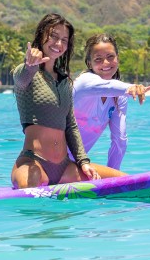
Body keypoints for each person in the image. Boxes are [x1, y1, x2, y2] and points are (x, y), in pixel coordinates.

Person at [11, 14, 113, 187]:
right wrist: (30, 66)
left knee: (122, 179)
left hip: (65, 167)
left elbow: (71, 125)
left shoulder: (64, 81)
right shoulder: (26, 72)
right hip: (33, 163)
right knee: (32, 183)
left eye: (64, 40)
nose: (58, 44)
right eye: (53, 36)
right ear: (41, 36)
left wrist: (83, 161)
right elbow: (21, 80)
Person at [73, 33, 147, 171]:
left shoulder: (120, 97)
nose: (106, 63)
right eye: (98, 59)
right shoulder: (84, 82)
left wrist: (113, 179)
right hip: (51, 161)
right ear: (89, 63)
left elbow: (120, 141)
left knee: (120, 174)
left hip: (75, 166)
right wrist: (130, 88)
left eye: (110, 57)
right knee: (124, 179)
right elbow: (107, 86)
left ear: (117, 59)